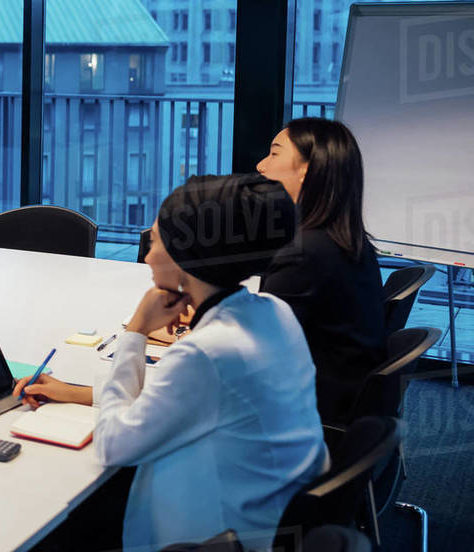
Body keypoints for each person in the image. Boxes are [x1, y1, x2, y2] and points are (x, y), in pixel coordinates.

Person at [16, 174, 327, 550]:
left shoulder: (207, 352)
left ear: (185, 255)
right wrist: (78, 392)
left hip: (208, 537)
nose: (147, 255)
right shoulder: (272, 311)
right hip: (267, 516)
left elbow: (114, 447)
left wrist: (137, 329)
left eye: (156, 241)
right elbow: (181, 397)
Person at [256, 117, 385, 423]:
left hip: (303, 420)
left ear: (307, 169)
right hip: (340, 405)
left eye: (274, 153)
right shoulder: (340, 239)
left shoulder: (306, 254)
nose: (261, 165)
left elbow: (255, 353)